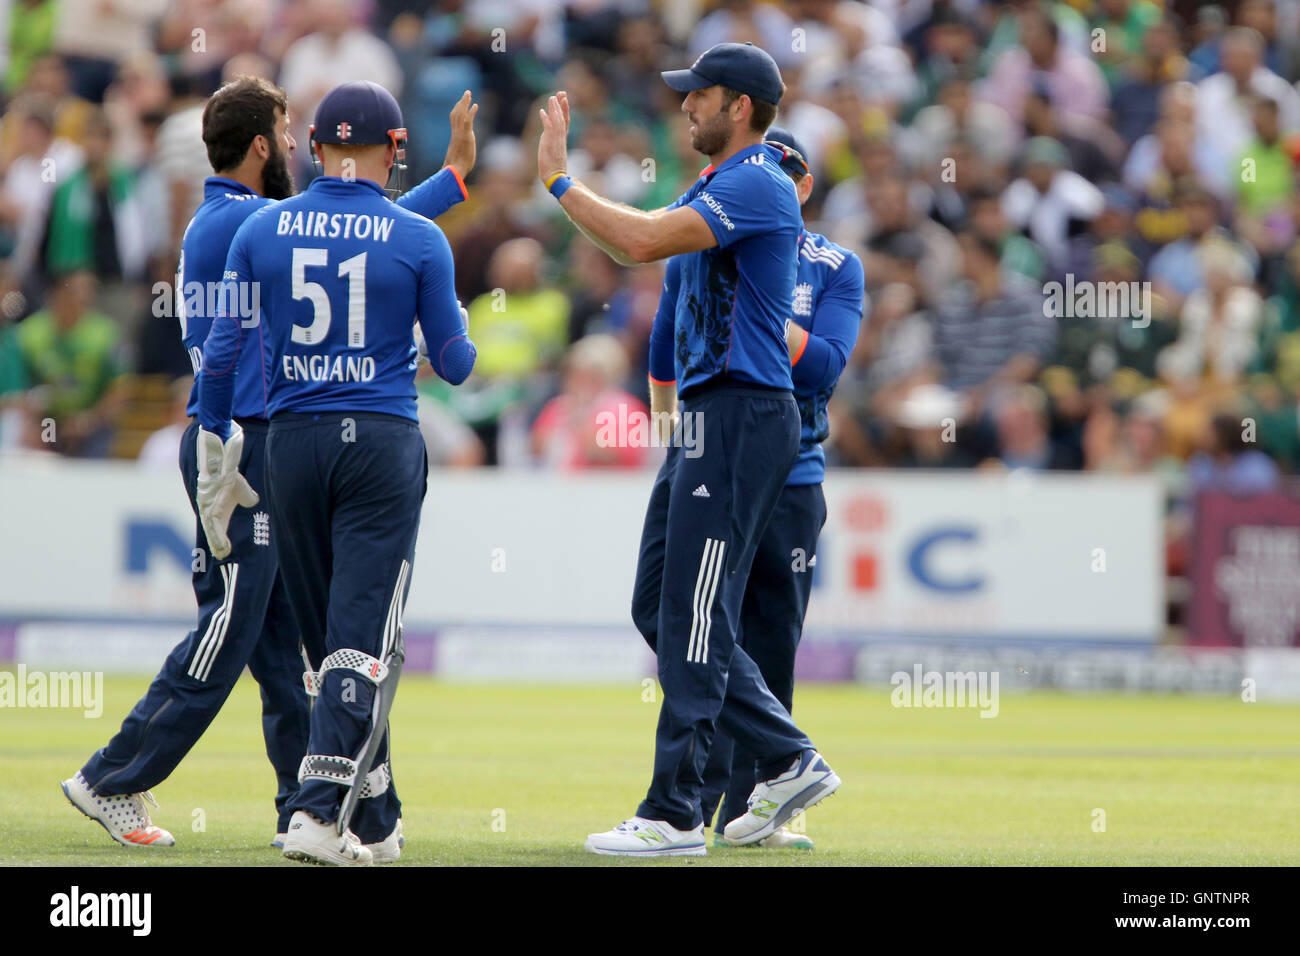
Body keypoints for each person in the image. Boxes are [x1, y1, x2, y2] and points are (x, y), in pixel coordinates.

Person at [61, 76, 477, 857]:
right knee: (232, 627)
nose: (294, 148)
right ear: (261, 146)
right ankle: (112, 775)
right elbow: (363, 235)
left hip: (258, 439)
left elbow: (358, 232)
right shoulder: (251, 220)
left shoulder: (233, 220)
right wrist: (448, 182)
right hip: (243, 447)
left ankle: (314, 808)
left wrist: (444, 184)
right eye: (284, 134)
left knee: (292, 661)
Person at [536, 41, 841, 857]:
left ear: (739, 106)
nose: (684, 107)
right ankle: (783, 754)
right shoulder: (717, 182)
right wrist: (672, 427)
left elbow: (636, 245)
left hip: (744, 411)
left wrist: (562, 183)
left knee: (697, 612)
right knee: (660, 606)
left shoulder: (754, 179)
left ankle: (677, 812)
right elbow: (669, 312)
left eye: (698, 96)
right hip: (714, 417)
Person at [198, 80, 476, 866]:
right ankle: (317, 815)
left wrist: (215, 450)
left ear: (314, 147)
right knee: (362, 638)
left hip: (290, 443)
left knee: (326, 646)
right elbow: (455, 365)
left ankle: (377, 822)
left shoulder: (260, 227)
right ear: (393, 151)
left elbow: (222, 353)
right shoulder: (420, 237)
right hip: (381, 443)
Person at [692, 127, 864, 850]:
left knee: (773, 639)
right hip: (723, 460)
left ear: (803, 186)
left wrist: (763, 325)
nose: (778, 183)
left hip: (795, 470)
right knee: (704, 627)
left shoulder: (833, 263)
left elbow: (824, 364)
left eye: (789, 173)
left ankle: (759, 811)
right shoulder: (712, 242)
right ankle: (689, 803)